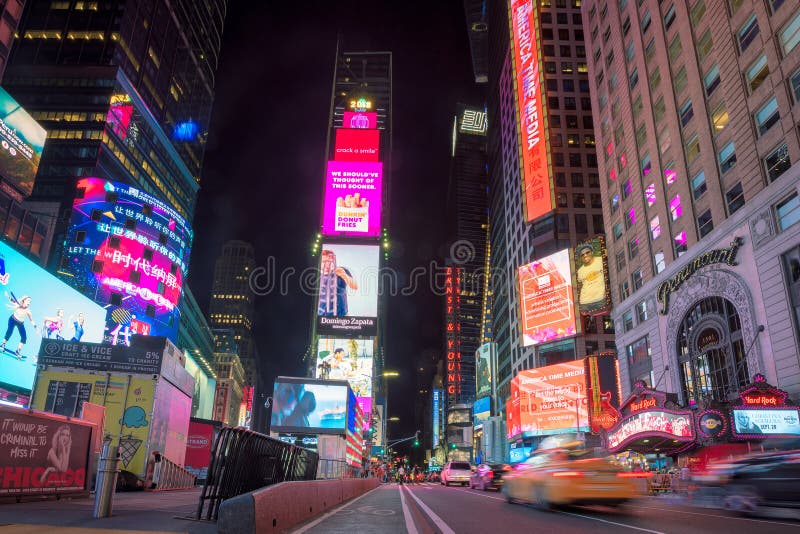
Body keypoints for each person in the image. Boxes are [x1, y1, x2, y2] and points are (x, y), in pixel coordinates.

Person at [317, 249, 358, 317]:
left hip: (342, 316)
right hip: (321, 316)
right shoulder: (316, 275)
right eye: (324, 262)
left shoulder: (341, 270)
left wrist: (343, 275)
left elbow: (355, 286)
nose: (327, 265)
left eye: (330, 262)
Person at [0, 293, 36, 359]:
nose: (29, 302)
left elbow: (31, 320)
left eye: (30, 302)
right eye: (28, 301)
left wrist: (35, 327)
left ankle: (18, 351)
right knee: (9, 332)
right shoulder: (18, 304)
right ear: (24, 300)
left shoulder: (28, 311)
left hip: (20, 323)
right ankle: (3, 345)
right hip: (12, 320)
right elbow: (11, 300)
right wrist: (7, 296)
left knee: (24, 337)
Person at [575, 244, 607, 313]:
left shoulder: (601, 260)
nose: (585, 255)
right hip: (585, 302)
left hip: (600, 299)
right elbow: (579, 285)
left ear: (592, 252)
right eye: (582, 255)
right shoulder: (580, 271)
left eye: (587, 252)